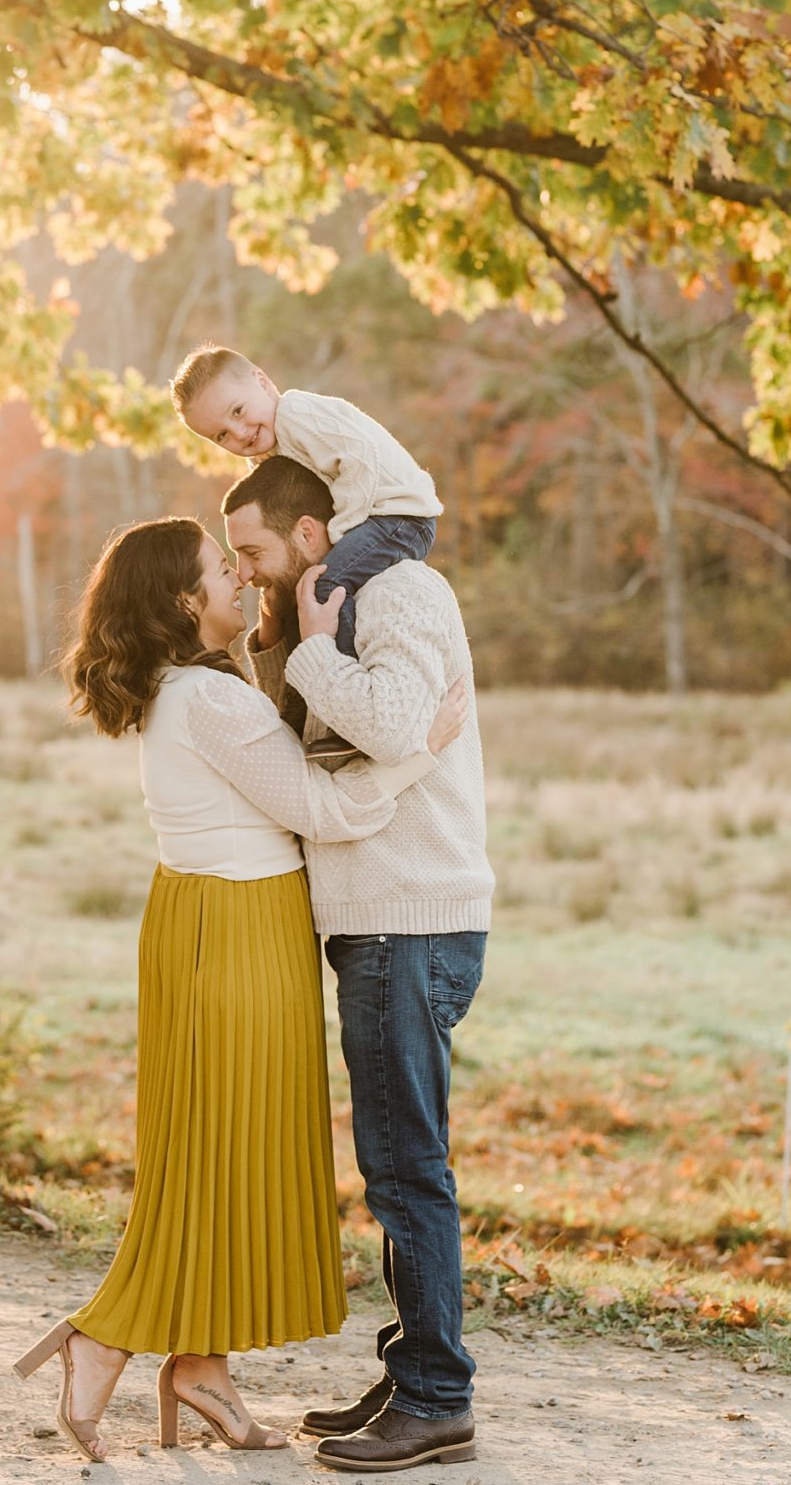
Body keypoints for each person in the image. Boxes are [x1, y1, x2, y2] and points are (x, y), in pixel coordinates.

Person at [12, 516, 468, 1464]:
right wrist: (426, 744)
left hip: (216, 922)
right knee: (221, 1151)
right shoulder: (208, 702)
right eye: (226, 571)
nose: (241, 580)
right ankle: (105, 1335)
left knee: (224, 1152)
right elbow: (323, 808)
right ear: (186, 601)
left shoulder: (199, 688)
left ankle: (201, 1368)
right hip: (237, 929)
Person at [222, 455, 493, 1475]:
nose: (245, 573)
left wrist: (313, 645)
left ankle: (437, 1396)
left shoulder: (401, 592)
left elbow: (385, 728)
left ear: (305, 535)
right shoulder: (339, 609)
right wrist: (297, 641)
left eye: (253, 551)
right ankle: (410, 1368)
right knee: (392, 1161)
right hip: (379, 918)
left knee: (407, 1165)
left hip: (408, 918)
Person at [169, 344, 442, 679]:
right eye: (222, 434)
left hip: (399, 515)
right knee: (302, 596)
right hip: (375, 519)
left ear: (263, 382)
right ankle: (303, 695)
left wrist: (338, 535)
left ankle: (343, 675)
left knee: (326, 586)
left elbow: (359, 463)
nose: (239, 433)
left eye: (238, 411)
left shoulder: (297, 415)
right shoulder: (268, 451)